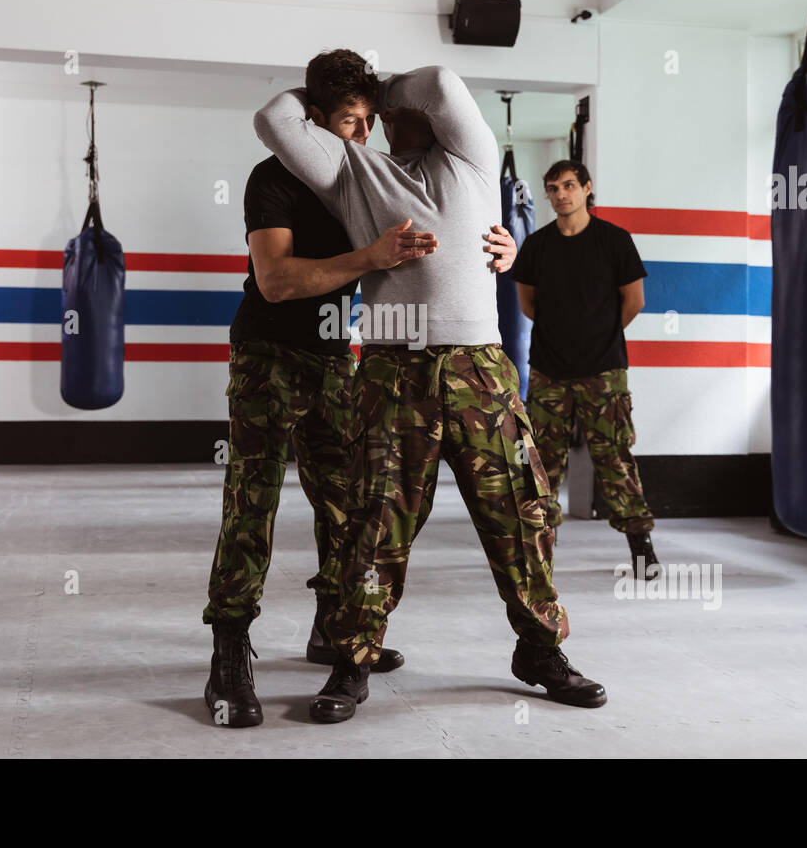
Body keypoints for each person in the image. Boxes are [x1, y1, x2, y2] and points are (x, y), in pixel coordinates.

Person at [254, 52, 608, 723]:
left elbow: (442, 82)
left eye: (391, 106)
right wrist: (344, 93)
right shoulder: (352, 172)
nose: (394, 116)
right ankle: (352, 659)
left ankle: (540, 649)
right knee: (372, 520)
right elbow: (273, 118)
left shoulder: (471, 157)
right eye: (375, 114)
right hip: (394, 368)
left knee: (522, 514)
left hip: (481, 367)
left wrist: (379, 86)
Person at [204, 52, 517, 728]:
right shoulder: (277, 176)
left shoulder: (368, 174)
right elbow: (277, 282)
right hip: (268, 353)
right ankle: (230, 652)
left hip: (336, 358)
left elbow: (452, 228)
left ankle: (332, 630)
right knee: (252, 504)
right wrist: (368, 259)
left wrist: (501, 243)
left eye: (371, 121)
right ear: (315, 119)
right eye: (348, 120)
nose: (363, 135)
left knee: (350, 509)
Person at [511, 160, 661, 579]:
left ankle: (641, 547)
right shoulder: (537, 246)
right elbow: (528, 305)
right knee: (542, 465)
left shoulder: (614, 241)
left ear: (587, 189)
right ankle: (541, 554)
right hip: (548, 370)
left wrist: (597, 337)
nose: (561, 194)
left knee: (614, 458)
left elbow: (634, 302)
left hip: (604, 371)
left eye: (569, 185)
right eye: (554, 188)